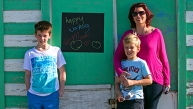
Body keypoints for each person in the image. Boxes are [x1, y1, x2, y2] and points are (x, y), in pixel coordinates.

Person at [114, 2, 170, 109]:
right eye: (134, 14)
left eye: (141, 12)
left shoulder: (156, 33)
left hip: (154, 79)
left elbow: (164, 58)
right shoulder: (128, 35)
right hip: (133, 79)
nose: (138, 16)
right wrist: (120, 73)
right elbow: (117, 56)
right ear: (132, 17)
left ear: (147, 14)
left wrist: (167, 81)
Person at [23, 20, 66, 109]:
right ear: (35, 35)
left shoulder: (56, 51)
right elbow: (27, 74)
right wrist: (28, 91)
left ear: (49, 35)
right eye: (39, 35)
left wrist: (61, 89)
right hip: (34, 95)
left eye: (45, 35)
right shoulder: (29, 54)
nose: (42, 38)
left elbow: (62, 71)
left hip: (52, 94)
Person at [115, 33, 152, 109]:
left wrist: (133, 82)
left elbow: (149, 80)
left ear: (138, 49)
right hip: (122, 100)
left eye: (131, 47)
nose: (128, 50)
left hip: (136, 100)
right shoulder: (121, 64)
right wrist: (118, 93)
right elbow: (116, 82)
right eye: (126, 47)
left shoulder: (141, 63)